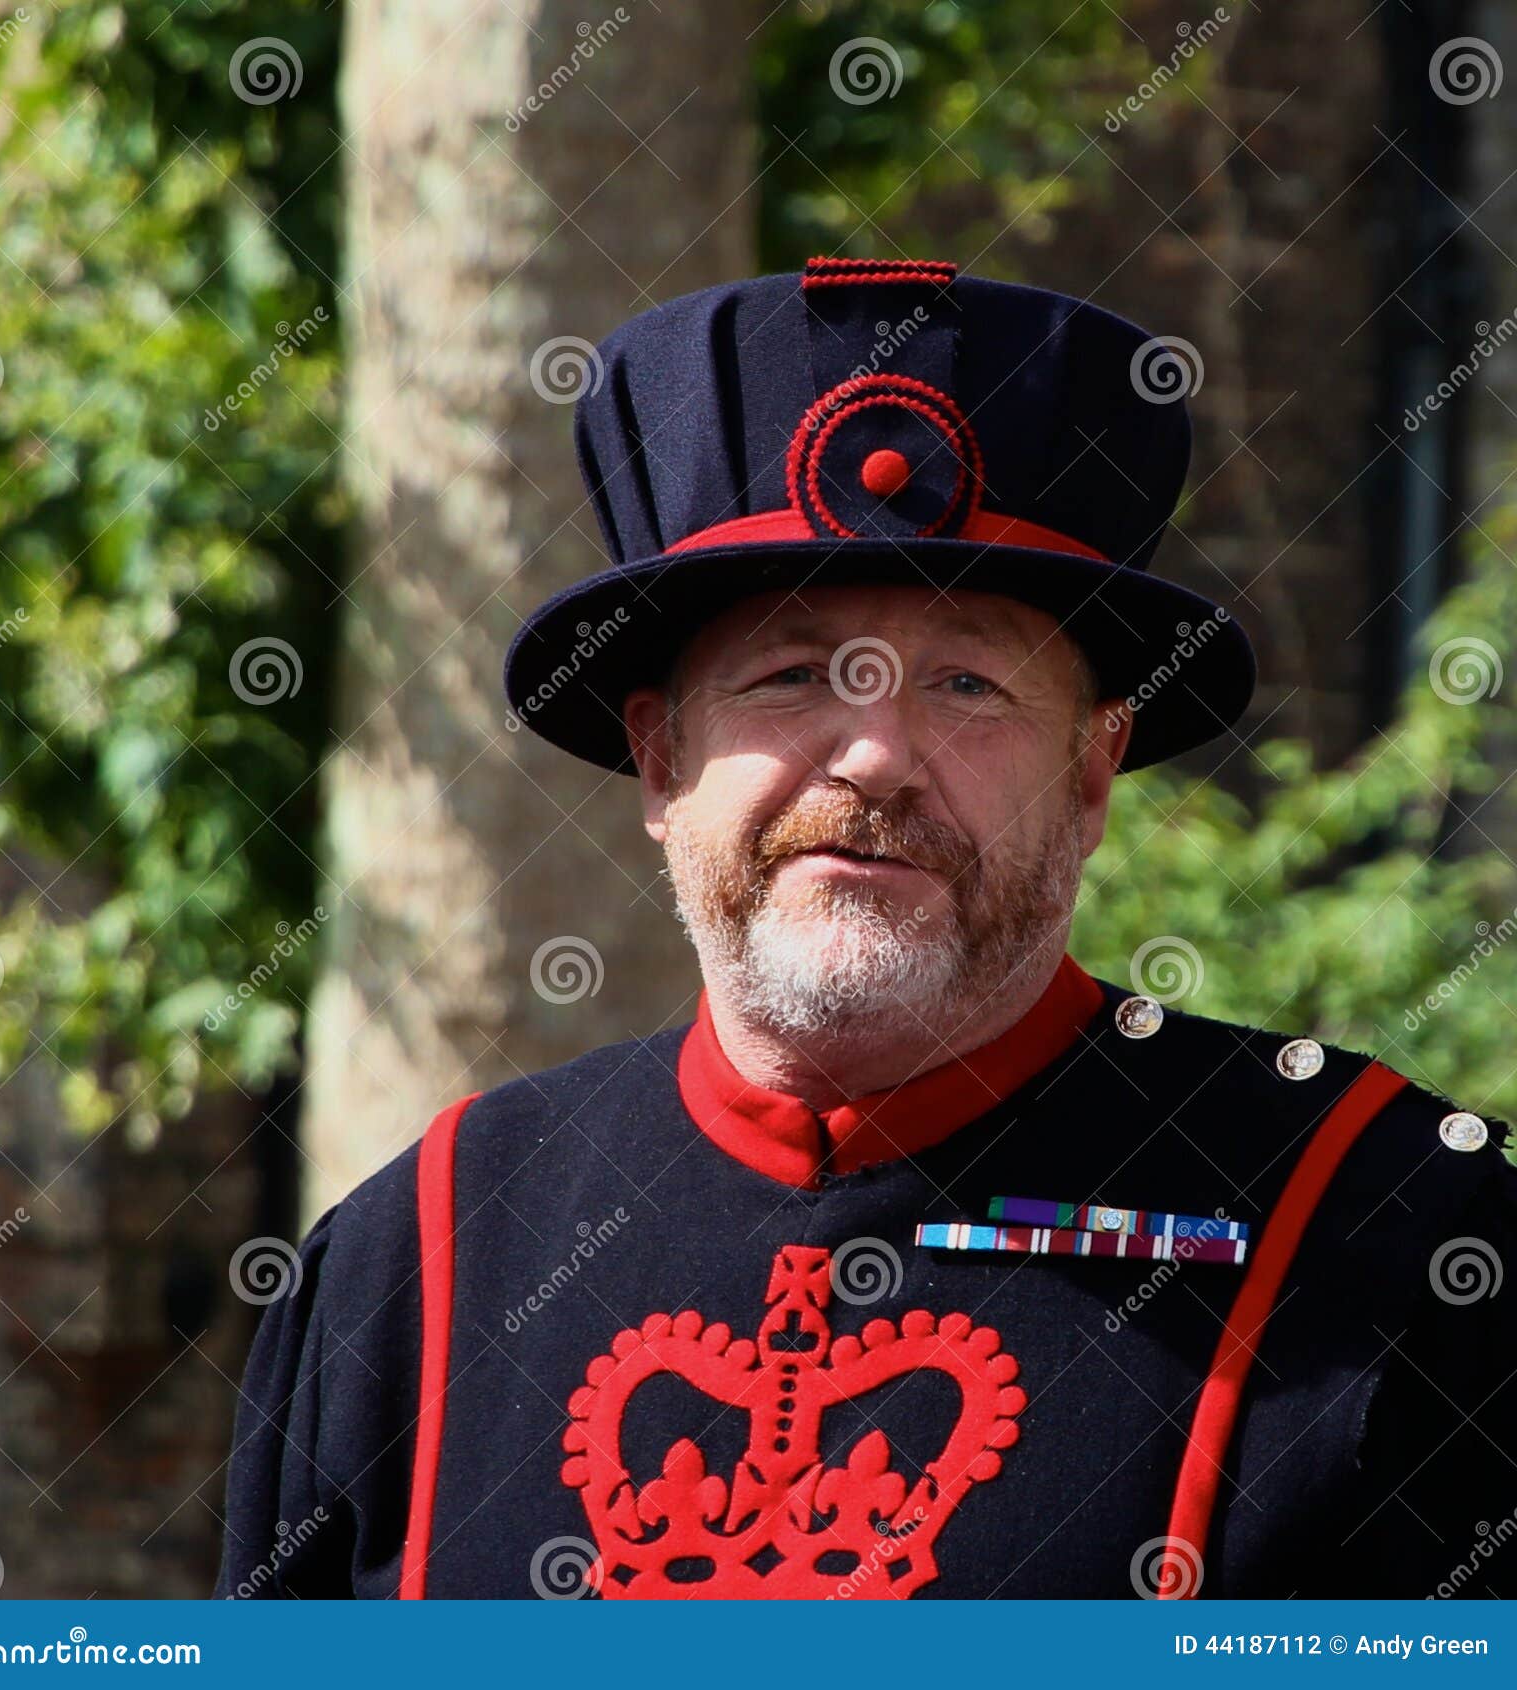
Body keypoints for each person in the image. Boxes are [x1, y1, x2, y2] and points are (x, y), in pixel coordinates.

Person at [214, 256, 1517, 1600]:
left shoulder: (1392, 1236)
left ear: (1090, 771)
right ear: (661, 762)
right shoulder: (414, 1263)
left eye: (968, 681)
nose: (877, 756)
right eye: (792, 673)